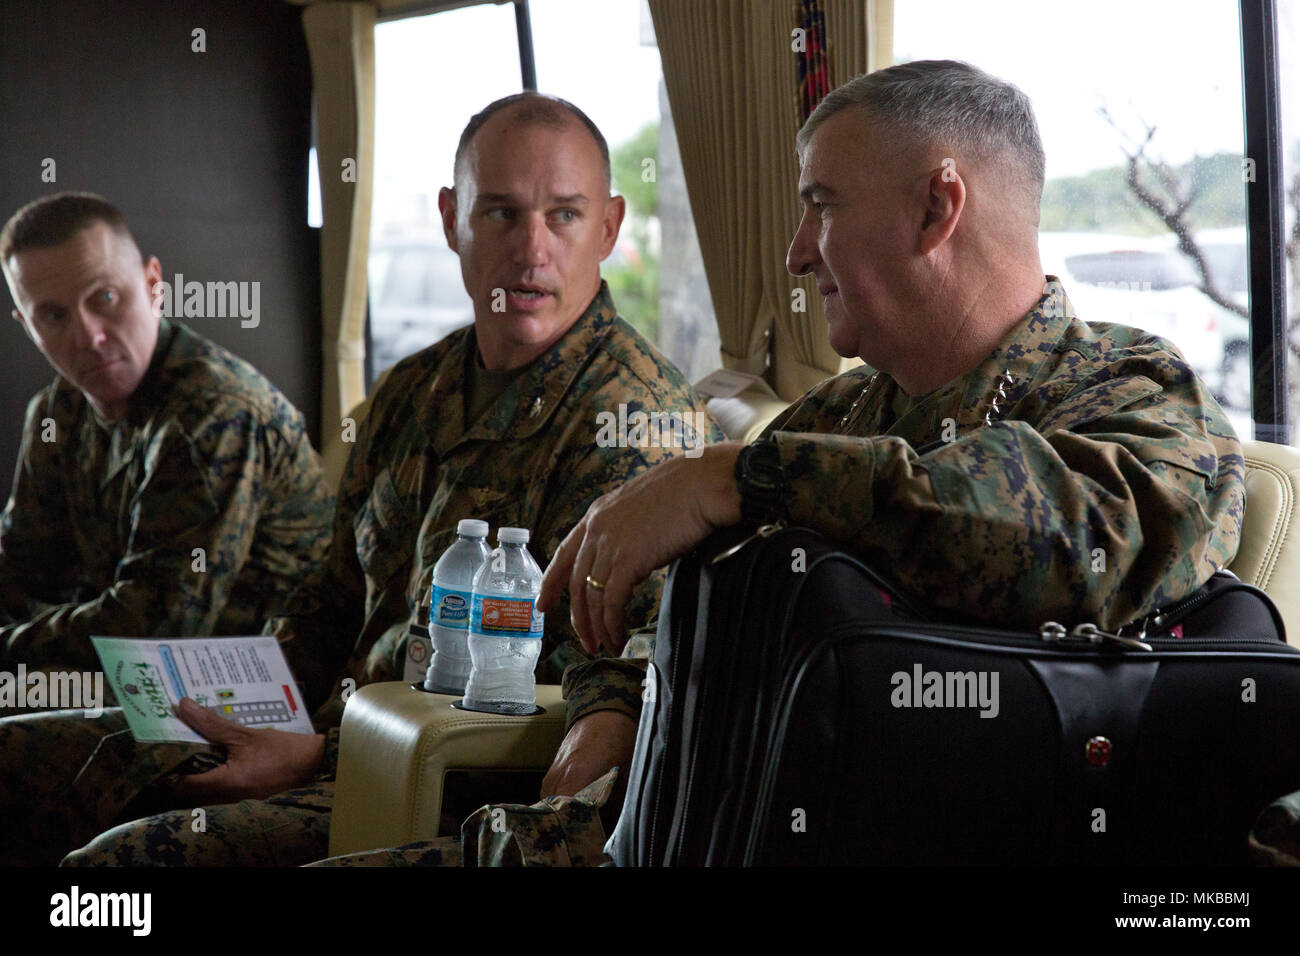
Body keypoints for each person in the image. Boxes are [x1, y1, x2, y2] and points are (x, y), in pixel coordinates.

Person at [38, 92, 721, 866]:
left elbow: (620, 685)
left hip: (438, 784)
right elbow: (330, 595)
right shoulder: (410, 390)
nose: (532, 250)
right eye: (499, 213)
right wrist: (258, 712)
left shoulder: (637, 422)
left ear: (608, 227)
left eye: (563, 215)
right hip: (317, 732)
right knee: (33, 765)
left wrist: (316, 751)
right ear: (450, 219)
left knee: (116, 867)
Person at [537, 59, 1244, 771]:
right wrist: (618, 706)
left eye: (824, 205)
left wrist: (741, 477)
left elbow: (1089, 544)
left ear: (937, 209)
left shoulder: (1137, 390)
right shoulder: (842, 415)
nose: (796, 254)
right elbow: (683, 619)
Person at [0, 192, 333, 684]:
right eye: (54, 316)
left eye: (105, 298)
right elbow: (22, 568)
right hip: (140, 684)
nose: (88, 335)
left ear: (153, 285)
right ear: (28, 327)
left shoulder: (215, 413)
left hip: (258, 695)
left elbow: (155, 630)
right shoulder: (57, 412)